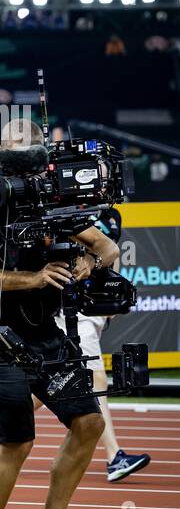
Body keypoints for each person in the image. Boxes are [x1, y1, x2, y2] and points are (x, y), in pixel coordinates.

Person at [0, 118, 117, 509]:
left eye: (32, 145)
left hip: (48, 334)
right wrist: (35, 277)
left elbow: (107, 248)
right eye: (16, 144)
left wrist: (86, 261)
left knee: (87, 423)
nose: (24, 153)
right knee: (18, 441)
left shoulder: (58, 197)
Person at [72, 206, 151, 482]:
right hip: (73, 311)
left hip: (94, 314)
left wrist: (110, 303)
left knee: (49, 386)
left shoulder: (110, 215)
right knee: (97, 380)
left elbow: (110, 250)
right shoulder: (66, 211)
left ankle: (8, 428)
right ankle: (114, 457)